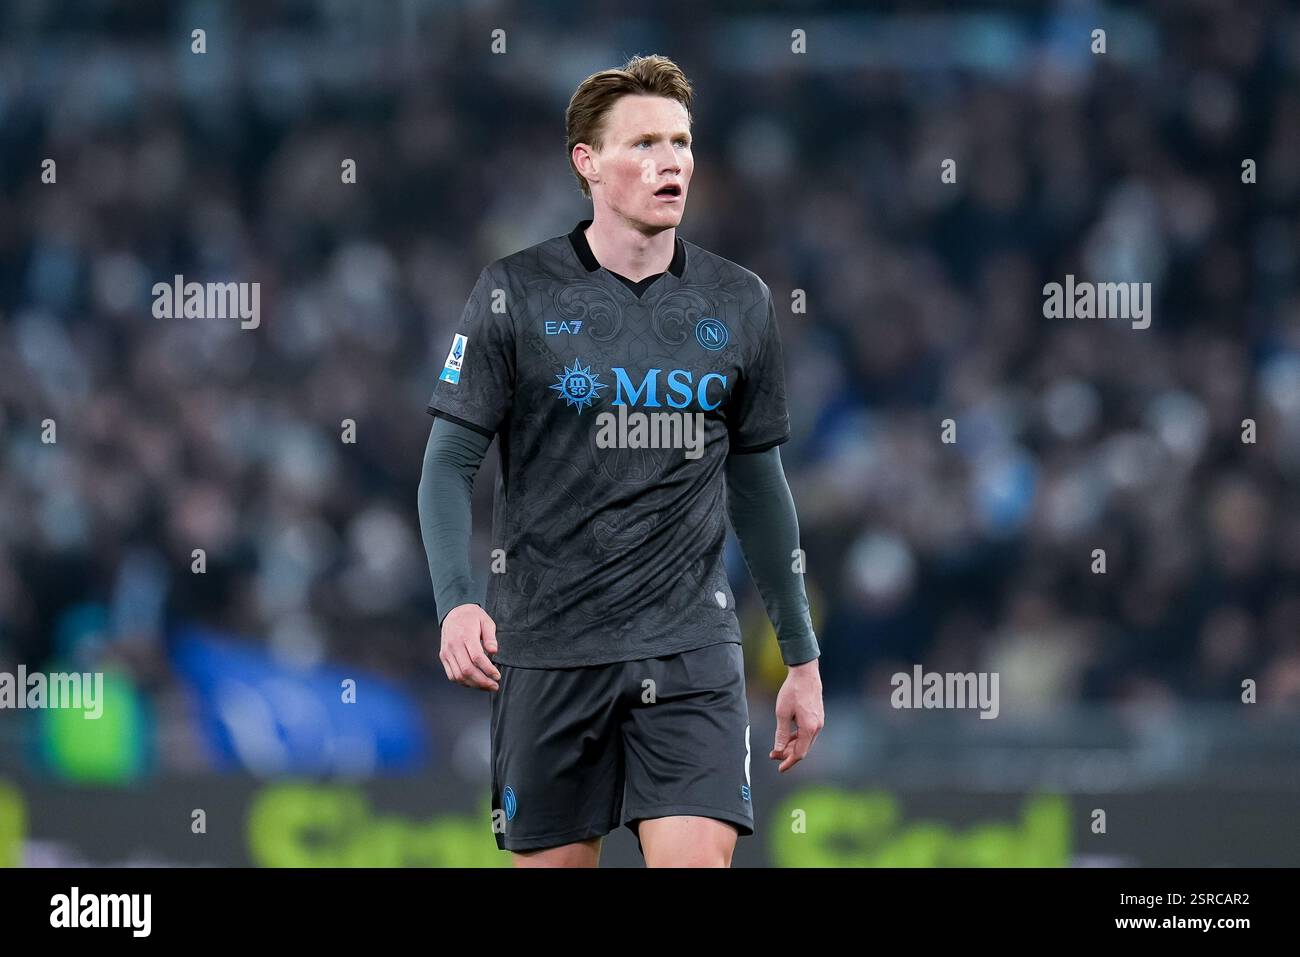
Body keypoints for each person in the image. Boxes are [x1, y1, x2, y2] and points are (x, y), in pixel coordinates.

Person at [418, 54, 823, 867]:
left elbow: (758, 485)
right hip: (548, 652)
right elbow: (446, 466)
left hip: (690, 652)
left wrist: (802, 656)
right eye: (643, 143)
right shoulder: (513, 293)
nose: (670, 161)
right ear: (588, 163)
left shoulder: (738, 300)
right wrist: (457, 603)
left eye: (681, 141)